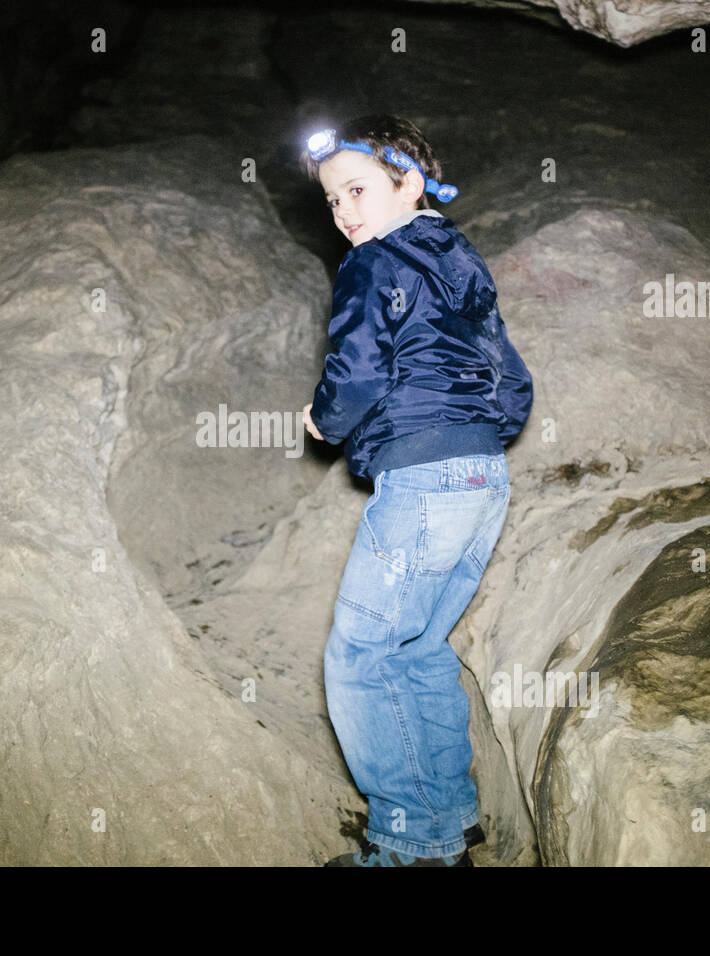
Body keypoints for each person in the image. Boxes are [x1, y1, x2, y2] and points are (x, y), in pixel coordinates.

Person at [299, 116, 533, 867]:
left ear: (412, 182)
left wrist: (326, 420)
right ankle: (449, 821)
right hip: (482, 479)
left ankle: (409, 847)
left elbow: (359, 370)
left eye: (358, 189)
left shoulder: (374, 263)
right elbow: (515, 383)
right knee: (421, 649)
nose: (346, 213)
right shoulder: (462, 260)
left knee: (362, 657)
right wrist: (476, 433)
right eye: (334, 200)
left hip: (425, 483)